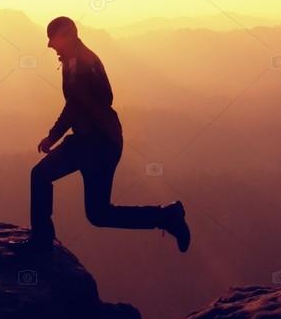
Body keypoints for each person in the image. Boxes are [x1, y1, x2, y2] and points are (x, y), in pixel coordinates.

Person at [17, 16, 190, 256]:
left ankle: (42, 242)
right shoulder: (80, 59)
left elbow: (76, 105)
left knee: (40, 175)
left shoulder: (79, 62)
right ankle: (166, 216)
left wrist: (53, 136)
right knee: (99, 214)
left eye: (52, 39)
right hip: (105, 142)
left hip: (93, 143)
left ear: (66, 36)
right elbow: (98, 99)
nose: (49, 45)